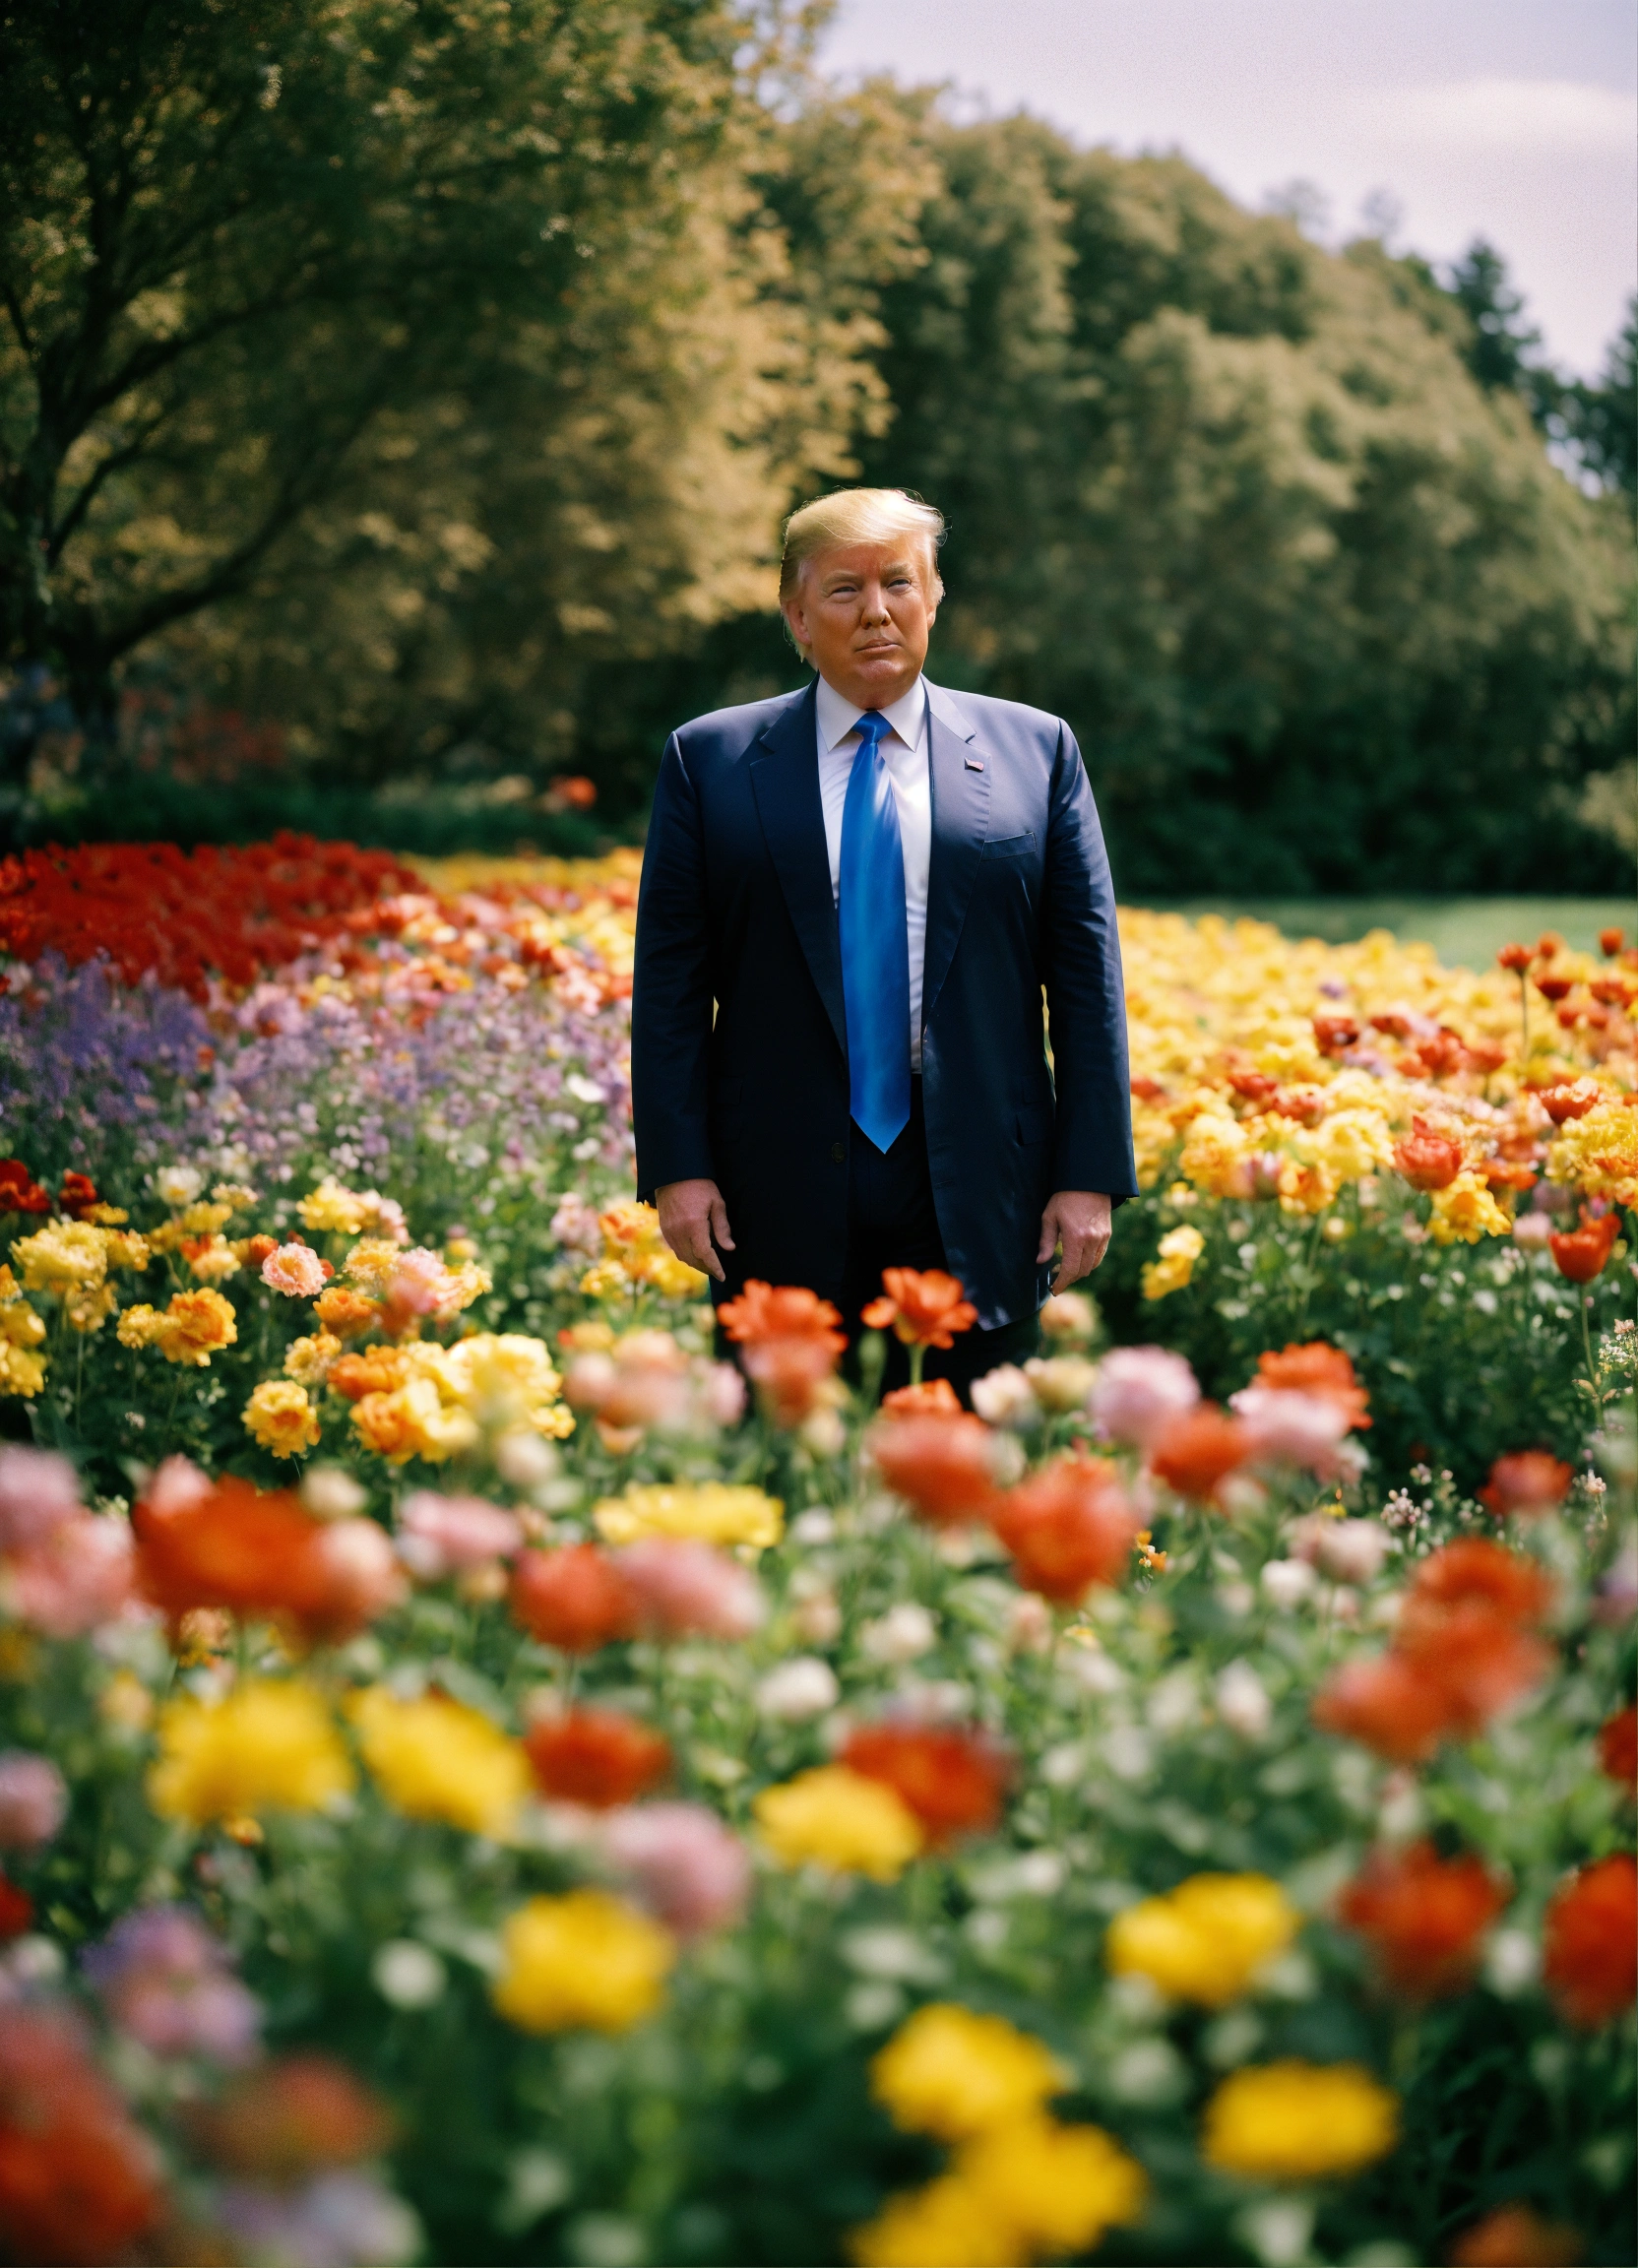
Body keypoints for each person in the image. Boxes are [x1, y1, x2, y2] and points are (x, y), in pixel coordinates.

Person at [631, 486, 1135, 1396]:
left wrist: (1089, 1175)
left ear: (934, 597)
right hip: (768, 1190)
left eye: (899, 583)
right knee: (783, 1477)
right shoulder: (707, 762)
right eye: (844, 590)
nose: (876, 612)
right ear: (795, 615)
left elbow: (1086, 979)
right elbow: (670, 984)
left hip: (983, 1188)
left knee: (971, 1485)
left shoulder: (1038, 750)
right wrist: (678, 1170)